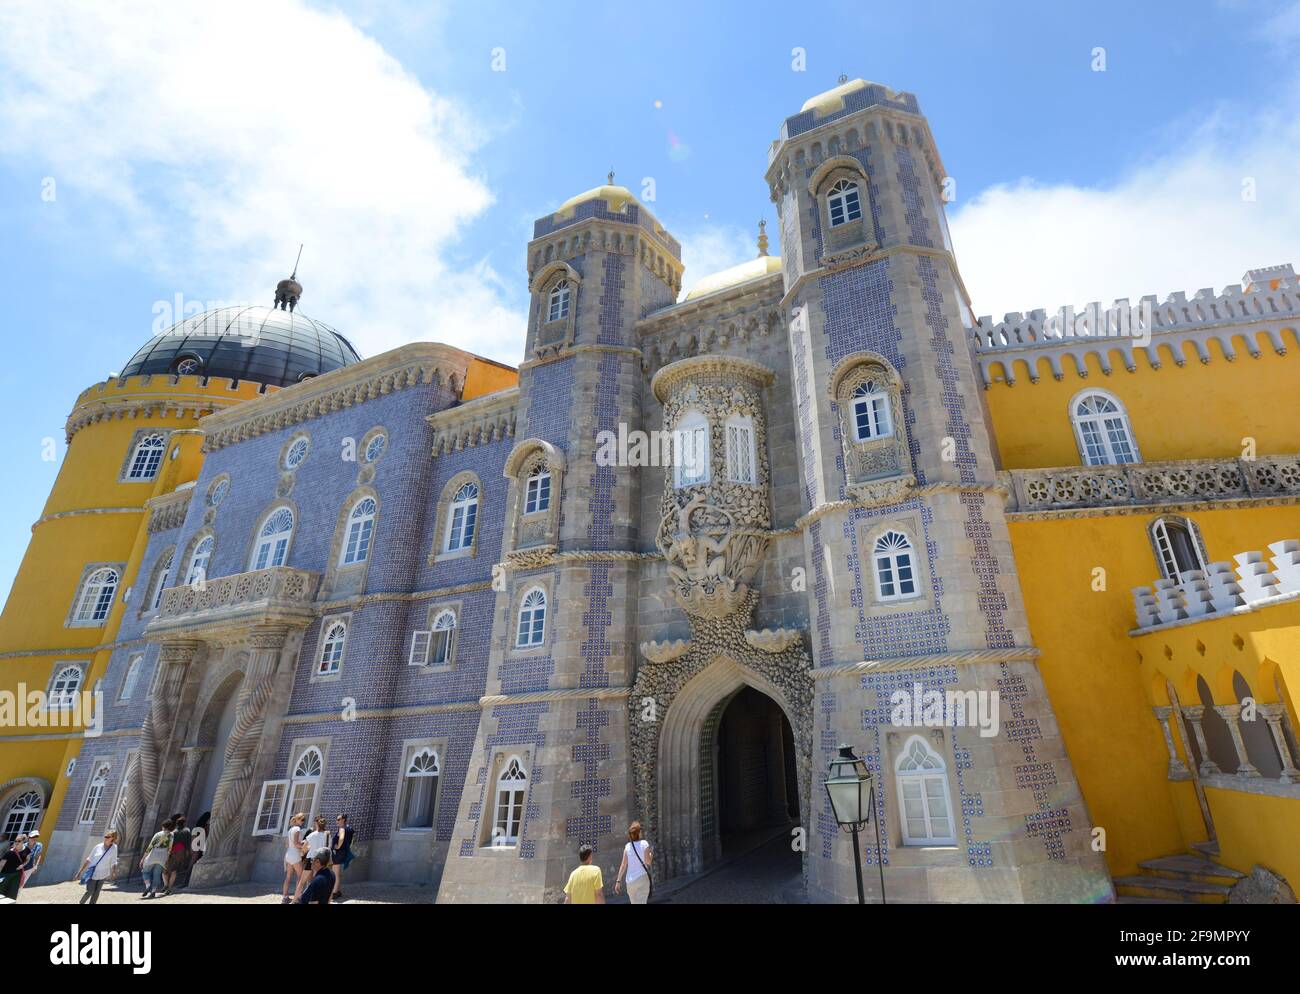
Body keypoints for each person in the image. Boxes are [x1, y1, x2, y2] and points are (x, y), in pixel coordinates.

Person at [614, 821, 653, 905]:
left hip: (630, 881)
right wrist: (651, 854)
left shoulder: (627, 846)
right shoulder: (644, 844)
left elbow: (623, 865)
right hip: (642, 878)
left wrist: (618, 881)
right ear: (639, 833)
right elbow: (648, 862)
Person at [76, 830, 119, 904]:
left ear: (113, 839)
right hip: (93, 873)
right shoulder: (98, 846)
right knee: (90, 891)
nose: (105, 838)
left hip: (103, 874)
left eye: (107, 837)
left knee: (96, 893)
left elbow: (113, 861)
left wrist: (114, 872)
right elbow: (89, 859)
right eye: (105, 836)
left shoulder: (114, 848)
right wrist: (79, 872)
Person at [140, 819, 174, 899]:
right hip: (163, 856)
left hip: (154, 854)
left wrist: (143, 858)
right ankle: (153, 891)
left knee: (145, 871)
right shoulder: (171, 835)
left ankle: (148, 886)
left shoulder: (158, 834)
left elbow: (150, 847)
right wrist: (167, 859)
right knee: (157, 874)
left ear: (163, 826)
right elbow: (170, 848)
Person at [281, 812, 308, 904]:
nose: (303, 822)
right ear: (297, 819)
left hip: (288, 854)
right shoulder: (297, 829)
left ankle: (285, 897)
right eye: (302, 820)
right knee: (300, 876)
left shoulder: (290, 829)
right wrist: (305, 845)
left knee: (288, 877)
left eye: (304, 820)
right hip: (295, 855)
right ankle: (298, 897)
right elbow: (297, 844)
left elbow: (287, 844)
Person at [301, 815, 329, 897]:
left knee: (316, 877)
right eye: (317, 820)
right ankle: (307, 893)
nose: (318, 822)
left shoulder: (325, 833)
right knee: (308, 877)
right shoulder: (310, 831)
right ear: (315, 822)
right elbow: (304, 842)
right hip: (309, 856)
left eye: (319, 820)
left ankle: (313, 894)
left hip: (318, 858)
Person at [162, 814, 190, 895]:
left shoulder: (172, 833)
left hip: (171, 852)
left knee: (165, 870)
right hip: (180, 852)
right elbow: (188, 844)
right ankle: (169, 887)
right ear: (184, 823)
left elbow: (168, 844)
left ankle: (166, 885)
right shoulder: (186, 832)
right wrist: (187, 853)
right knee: (174, 871)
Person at [330, 813, 355, 902]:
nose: (336, 821)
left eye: (338, 819)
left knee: (335, 873)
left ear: (343, 820)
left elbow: (341, 838)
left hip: (338, 853)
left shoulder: (342, 829)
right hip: (343, 852)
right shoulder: (349, 828)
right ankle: (338, 890)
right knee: (338, 873)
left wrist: (338, 846)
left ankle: (335, 892)